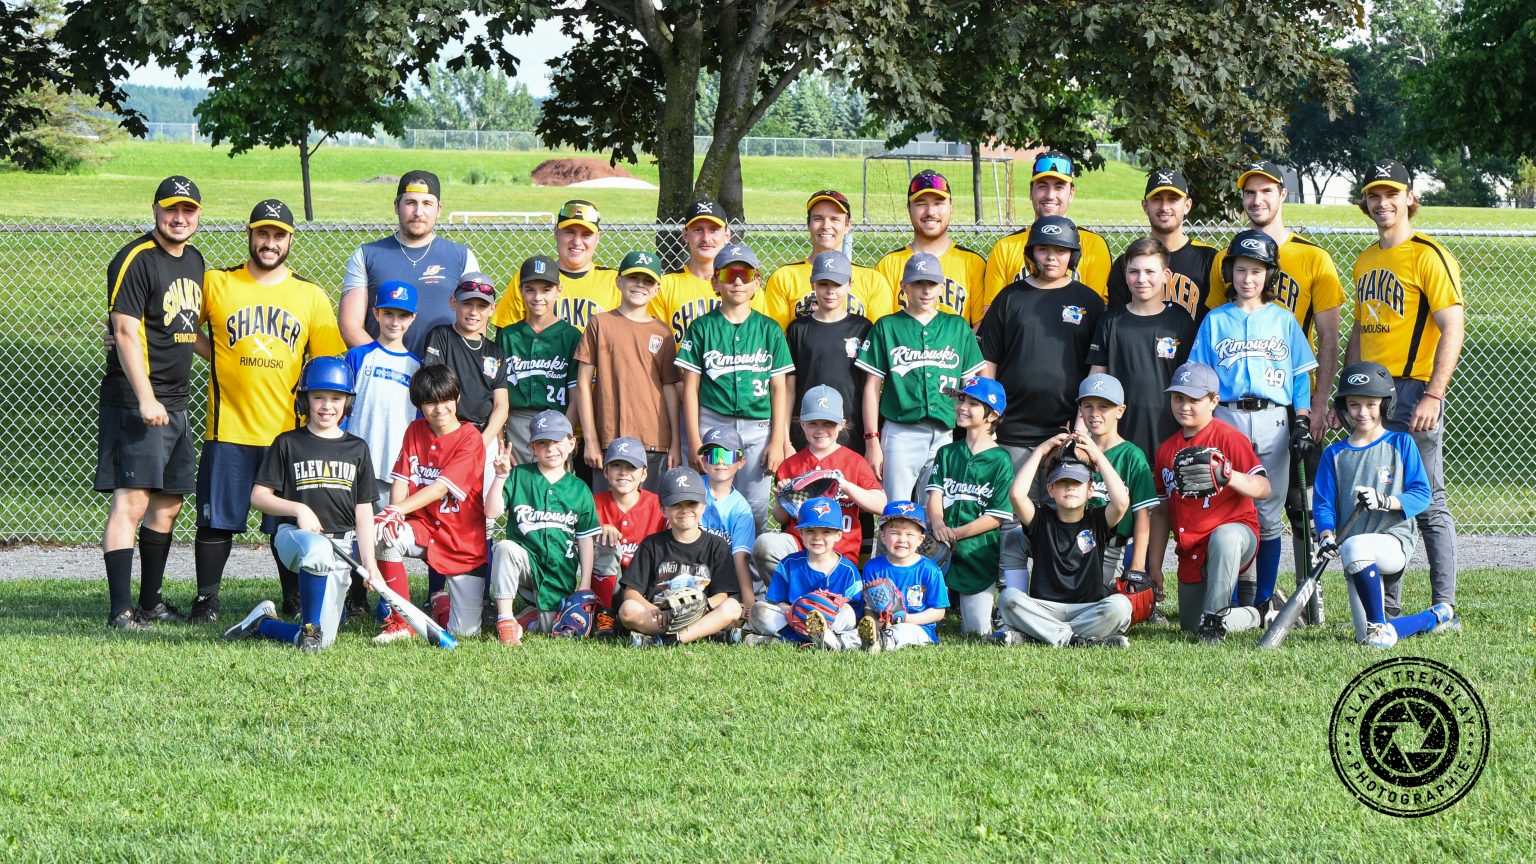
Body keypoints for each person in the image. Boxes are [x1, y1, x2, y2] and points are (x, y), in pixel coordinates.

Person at [192, 198, 346, 623]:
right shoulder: (217, 283)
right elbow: (182, 328)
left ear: (290, 240)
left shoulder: (309, 295)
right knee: (217, 521)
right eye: (263, 233)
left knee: (287, 524)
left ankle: (294, 599)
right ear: (249, 234)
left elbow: (326, 364)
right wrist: (214, 354)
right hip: (229, 427)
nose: (270, 242)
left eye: (279, 235)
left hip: (287, 432)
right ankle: (206, 600)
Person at [1346, 158, 1465, 621]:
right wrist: (1346, 391)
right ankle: (1388, 609)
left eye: (1392, 194)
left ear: (1409, 198)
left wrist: (1434, 394)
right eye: (1374, 195)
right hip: (1371, 394)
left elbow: (1452, 326)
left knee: (1427, 499)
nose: (1382, 203)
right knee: (1379, 497)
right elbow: (1360, 330)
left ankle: (1444, 605)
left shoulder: (1428, 254)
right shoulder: (1365, 260)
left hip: (1414, 391)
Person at [96, 175, 206, 630]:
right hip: (137, 402)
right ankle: (121, 610)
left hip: (176, 403)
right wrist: (145, 397)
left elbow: (187, 328)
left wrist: (228, 358)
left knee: (168, 503)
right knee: (133, 501)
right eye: (170, 209)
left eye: (187, 210)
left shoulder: (194, 260)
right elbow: (123, 331)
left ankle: (150, 602)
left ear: (198, 215)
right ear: (155, 210)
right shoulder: (135, 258)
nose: (179, 218)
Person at [1189, 230, 1317, 611]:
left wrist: (1302, 420)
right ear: (1229, 272)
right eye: (1241, 269)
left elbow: (1299, 377)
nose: (1248, 278)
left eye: (1257, 271)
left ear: (1269, 275)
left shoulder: (1283, 320)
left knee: (1268, 511)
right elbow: (1200, 375)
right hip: (1226, 416)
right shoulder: (1215, 320)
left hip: (1273, 419)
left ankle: (1263, 601)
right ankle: (1226, 599)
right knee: (1224, 505)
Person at [220, 358, 380, 650]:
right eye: (318, 397)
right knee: (317, 552)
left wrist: (370, 563)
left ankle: (262, 623)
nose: (327, 406)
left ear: (347, 402)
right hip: (294, 536)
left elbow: (363, 510)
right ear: (304, 400)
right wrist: (299, 509)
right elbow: (259, 497)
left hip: (342, 547)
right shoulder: (288, 443)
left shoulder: (357, 448)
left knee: (323, 642)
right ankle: (309, 627)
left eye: (336, 398)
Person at [1317, 361, 1458, 647]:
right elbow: (1323, 505)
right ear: (1344, 407)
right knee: (1368, 637)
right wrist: (1326, 535)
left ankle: (1381, 625)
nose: (1363, 412)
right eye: (1354, 404)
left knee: (1355, 547)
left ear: (1385, 404)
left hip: (1393, 542)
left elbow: (1422, 495)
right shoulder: (1334, 454)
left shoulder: (1401, 443)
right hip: (1354, 553)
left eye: (1371, 404)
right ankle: (1434, 617)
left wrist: (1385, 500)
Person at [1206, 159, 1345, 438]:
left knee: (1298, 469)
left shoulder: (1314, 258)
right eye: (1250, 192)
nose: (1257, 200)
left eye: (1266, 191)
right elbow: (1214, 330)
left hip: (1296, 393)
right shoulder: (1226, 259)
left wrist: (1319, 402)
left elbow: (1329, 338)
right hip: (1234, 400)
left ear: (1283, 194)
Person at [1149, 362, 1275, 643]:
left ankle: (1214, 624)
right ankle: (1260, 613)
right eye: (1178, 398)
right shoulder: (1166, 450)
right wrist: (1154, 565)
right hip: (1192, 548)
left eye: (1194, 399)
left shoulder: (1229, 438)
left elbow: (1264, 488)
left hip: (1236, 537)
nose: (1184, 406)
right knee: (1189, 626)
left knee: (1224, 536)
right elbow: (1161, 513)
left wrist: (1228, 475)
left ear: (1214, 401)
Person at [675, 243, 792, 530]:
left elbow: (779, 388)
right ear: (715, 282)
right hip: (713, 425)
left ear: (756, 282)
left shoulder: (770, 329)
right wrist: (694, 440)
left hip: (758, 429)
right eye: (729, 275)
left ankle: (749, 561)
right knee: (708, 502)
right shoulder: (702, 328)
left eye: (745, 274)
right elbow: (690, 388)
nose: (738, 282)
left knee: (754, 508)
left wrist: (777, 440)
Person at [977, 215, 1105, 470]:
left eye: (1060, 250)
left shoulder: (1089, 301)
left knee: (1064, 496)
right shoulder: (1010, 297)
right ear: (1031, 253)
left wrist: (1081, 427)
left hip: (1067, 430)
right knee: (1014, 495)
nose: (1051, 257)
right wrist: (989, 418)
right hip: (1012, 428)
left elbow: (1097, 367)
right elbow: (989, 361)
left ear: (1073, 255)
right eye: (1043, 249)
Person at [373, 364, 490, 642]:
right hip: (423, 528)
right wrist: (394, 517)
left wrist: (395, 509)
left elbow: (440, 488)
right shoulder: (415, 429)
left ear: (457, 397)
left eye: (446, 399)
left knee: (464, 632)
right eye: (430, 402)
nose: (439, 409)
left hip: (461, 541)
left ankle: (441, 606)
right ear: (419, 405)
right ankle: (401, 623)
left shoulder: (471, 438)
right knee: (385, 536)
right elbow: (401, 478)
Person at [856, 252, 984, 502]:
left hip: (945, 433)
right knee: (895, 509)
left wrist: (977, 431)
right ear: (904, 286)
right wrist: (872, 440)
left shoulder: (957, 327)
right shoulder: (887, 326)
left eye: (932, 284)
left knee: (937, 510)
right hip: (901, 432)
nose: (926, 291)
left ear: (942, 286)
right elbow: (871, 388)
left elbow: (970, 386)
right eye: (918, 284)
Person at [994, 433, 1132, 648]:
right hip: (1044, 607)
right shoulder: (1040, 519)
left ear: (1090, 490)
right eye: (1062, 482)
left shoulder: (1097, 520)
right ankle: (1077, 640)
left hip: (1087, 608)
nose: (1070, 488)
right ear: (1050, 489)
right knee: (1008, 599)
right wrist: (1040, 451)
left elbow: (1122, 501)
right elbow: (1016, 496)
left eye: (1077, 482)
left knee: (1121, 606)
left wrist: (1097, 455)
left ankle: (1040, 635)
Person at [486, 410, 601, 644]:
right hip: (526, 566)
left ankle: (530, 618)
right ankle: (506, 620)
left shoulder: (580, 489)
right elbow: (491, 512)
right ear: (532, 448)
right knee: (505, 548)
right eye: (542, 443)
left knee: (551, 630)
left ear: (571, 444)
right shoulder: (519, 475)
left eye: (557, 441)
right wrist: (500, 477)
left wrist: (585, 584)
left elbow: (585, 538)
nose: (550, 449)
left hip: (560, 574)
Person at [339, 170, 479, 356]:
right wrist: (392, 362)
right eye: (410, 203)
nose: (418, 212)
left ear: (438, 210)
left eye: (427, 203)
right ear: (397, 207)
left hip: (445, 371)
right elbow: (350, 326)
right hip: (383, 368)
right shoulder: (367, 255)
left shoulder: (462, 257)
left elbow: (477, 323)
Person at [751, 387, 885, 580]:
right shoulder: (791, 465)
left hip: (839, 553)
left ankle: (821, 595)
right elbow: (782, 519)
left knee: (835, 597)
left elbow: (881, 505)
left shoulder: (855, 462)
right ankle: (790, 593)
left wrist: (845, 485)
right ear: (802, 424)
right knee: (765, 544)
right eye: (813, 423)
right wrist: (782, 500)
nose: (820, 430)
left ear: (841, 425)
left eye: (828, 423)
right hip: (800, 547)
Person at [574, 250, 681, 490]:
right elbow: (583, 383)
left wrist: (675, 442)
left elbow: (669, 388)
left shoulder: (663, 332)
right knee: (607, 509)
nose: (640, 285)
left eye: (648, 281)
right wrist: (591, 439)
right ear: (619, 282)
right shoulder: (600, 323)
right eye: (633, 278)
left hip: (653, 440)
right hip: (610, 439)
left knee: (649, 509)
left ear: (657, 290)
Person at [1087, 236, 1197, 462]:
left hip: (1169, 434)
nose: (1141, 279)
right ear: (1125, 274)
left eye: (1150, 272)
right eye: (1134, 272)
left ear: (1166, 276)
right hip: (1119, 438)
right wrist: (1083, 430)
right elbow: (1096, 378)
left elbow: (1191, 383)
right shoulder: (1110, 321)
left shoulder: (1181, 323)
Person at [924, 376, 1014, 636]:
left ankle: (982, 612)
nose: (962, 407)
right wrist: (938, 524)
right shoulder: (947, 452)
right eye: (961, 400)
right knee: (923, 620)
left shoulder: (1001, 460)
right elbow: (935, 495)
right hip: (939, 547)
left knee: (976, 631)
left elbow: (995, 518)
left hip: (977, 553)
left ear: (992, 415)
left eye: (973, 403)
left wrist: (955, 533)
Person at [618, 467, 745, 646]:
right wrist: (655, 611)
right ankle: (702, 634)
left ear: (703, 505)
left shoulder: (717, 545)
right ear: (663, 509)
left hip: (702, 615)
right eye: (676, 504)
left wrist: (702, 606)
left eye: (692, 503)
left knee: (732, 608)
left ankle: (671, 640)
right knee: (627, 610)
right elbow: (631, 593)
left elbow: (723, 595)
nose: (685, 510)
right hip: (663, 617)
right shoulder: (652, 544)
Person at [980, 150, 1114, 315]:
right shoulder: (1005, 247)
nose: (1050, 195)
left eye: (1059, 187)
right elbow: (992, 314)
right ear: (1031, 192)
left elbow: (1095, 313)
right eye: (1042, 186)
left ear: (1071, 193)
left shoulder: (1094, 245)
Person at [1074, 375, 1159, 596]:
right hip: (1070, 542)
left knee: (1096, 602)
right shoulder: (1073, 451)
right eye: (1088, 406)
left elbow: (1142, 515)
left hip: (1110, 549)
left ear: (1120, 411)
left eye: (1104, 406)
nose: (1094, 413)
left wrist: (1137, 566)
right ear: (1080, 410)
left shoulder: (1131, 456)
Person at [762, 189, 895, 328]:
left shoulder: (872, 280)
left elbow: (880, 335)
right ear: (808, 224)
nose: (826, 226)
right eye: (818, 219)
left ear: (848, 225)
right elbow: (776, 335)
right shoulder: (784, 277)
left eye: (835, 219)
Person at [784, 250, 874, 453]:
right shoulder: (798, 329)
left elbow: (869, 386)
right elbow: (789, 389)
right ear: (813, 284)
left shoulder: (862, 328)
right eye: (824, 284)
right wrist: (784, 438)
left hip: (850, 427)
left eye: (837, 284)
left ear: (850, 284)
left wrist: (871, 437)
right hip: (808, 428)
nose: (830, 291)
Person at [746, 496, 865, 650]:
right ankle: (827, 641)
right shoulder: (789, 564)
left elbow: (854, 613)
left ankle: (792, 639)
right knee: (759, 611)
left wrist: (828, 612)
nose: (817, 537)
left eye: (826, 531)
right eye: (810, 531)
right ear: (801, 533)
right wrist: (796, 612)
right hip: (793, 620)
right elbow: (778, 602)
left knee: (847, 613)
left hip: (832, 622)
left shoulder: (848, 570)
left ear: (838, 535)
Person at [497, 255, 583, 465]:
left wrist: (565, 434)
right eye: (530, 290)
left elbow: (576, 395)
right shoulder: (508, 335)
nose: (538, 297)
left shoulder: (571, 336)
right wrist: (500, 442)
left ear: (559, 290)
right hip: (517, 423)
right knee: (518, 481)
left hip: (557, 422)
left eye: (546, 290)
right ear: (520, 290)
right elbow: (497, 394)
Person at [345, 281, 422, 511]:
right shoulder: (358, 356)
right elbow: (343, 408)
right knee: (347, 528)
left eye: (403, 315)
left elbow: (419, 422)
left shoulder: (417, 367)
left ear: (413, 318)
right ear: (376, 313)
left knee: (384, 528)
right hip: (354, 462)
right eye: (388, 313)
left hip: (393, 467)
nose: (395, 322)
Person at [1106, 168, 1220, 322]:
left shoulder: (1209, 259)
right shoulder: (1128, 263)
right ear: (1145, 206)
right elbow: (1117, 322)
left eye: (1173, 199)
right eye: (1157, 199)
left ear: (1187, 205)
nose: (1165, 207)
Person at [874, 169, 988, 323]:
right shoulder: (888, 265)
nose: (930, 212)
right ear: (909, 208)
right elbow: (882, 327)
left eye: (938, 203)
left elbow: (980, 325)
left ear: (951, 206)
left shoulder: (973, 263)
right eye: (921, 204)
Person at [491, 199, 619, 332]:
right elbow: (506, 335)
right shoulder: (529, 277)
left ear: (597, 238)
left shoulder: (616, 282)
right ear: (556, 232)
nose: (577, 242)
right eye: (570, 232)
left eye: (586, 235)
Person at [650, 199, 764, 343]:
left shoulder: (746, 286)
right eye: (698, 229)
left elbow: (759, 340)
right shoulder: (664, 286)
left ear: (727, 235)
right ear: (685, 235)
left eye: (713, 230)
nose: (706, 238)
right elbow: (655, 343)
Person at [421, 272, 509, 452]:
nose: (473, 312)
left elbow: (501, 404)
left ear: (492, 309)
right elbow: (434, 389)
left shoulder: (495, 351)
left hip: (484, 436)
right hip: (448, 431)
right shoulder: (441, 336)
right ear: (453, 302)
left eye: (482, 306)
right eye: (467, 303)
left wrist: (483, 441)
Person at [590, 436, 666, 638]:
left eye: (631, 467)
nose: (623, 472)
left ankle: (628, 619)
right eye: (616, 465)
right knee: (604, 542)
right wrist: (597, 531)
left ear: (644, 473)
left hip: (645, 589)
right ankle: (604, 615)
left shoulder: (658, 505)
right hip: (609, 587)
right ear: (605, 471)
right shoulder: (593, 503)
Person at [855, 501, 950, 652]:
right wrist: (876, 622)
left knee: (904, 631)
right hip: (882, 624)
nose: (902, 539)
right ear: (883, 536)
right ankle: (838, 640)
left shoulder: (930, 570)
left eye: (909, 534)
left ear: (920, 540)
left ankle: (881, 642)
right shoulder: (872, 567)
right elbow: (868, 606)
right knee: (856, 633)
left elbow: (938, 612)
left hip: (917, 627)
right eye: (894, 533)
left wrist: (905, 618)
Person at [697, 426, 759, 603]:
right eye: (714, 455)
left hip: (720, 579)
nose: (720, 462)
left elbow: (740, 559)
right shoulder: (693, 489)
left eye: (728, 455)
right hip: (687, 569)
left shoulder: (741, 509)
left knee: (729, 605)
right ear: (703, 461)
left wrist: (749, 604)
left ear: (741, 462)